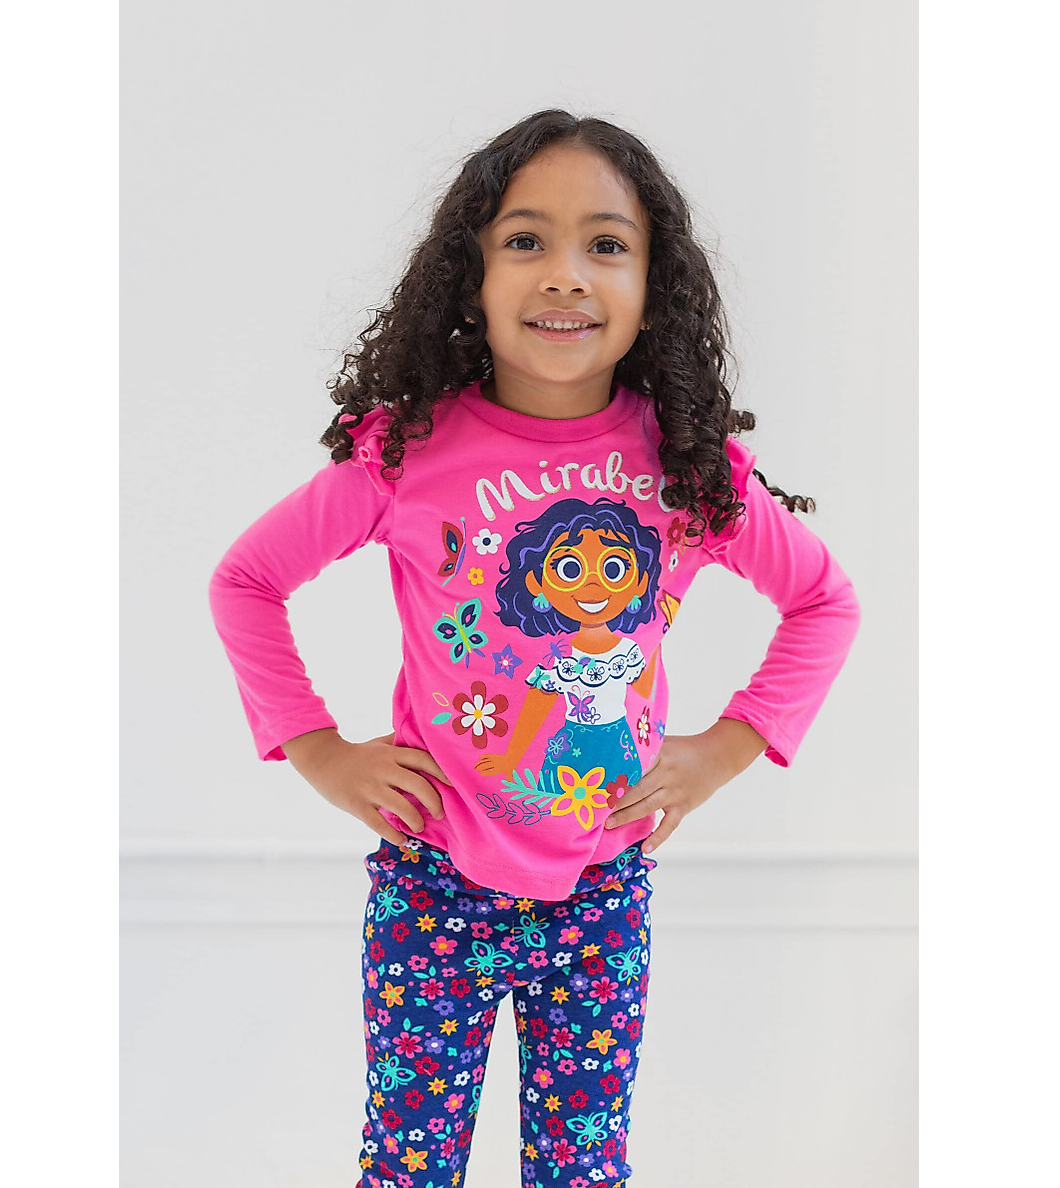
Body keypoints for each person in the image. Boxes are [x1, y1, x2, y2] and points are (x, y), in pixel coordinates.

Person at [208, 108, 861, 1188]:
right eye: (525, 240)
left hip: (603, 890)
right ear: (471, 276)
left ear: (653, 286)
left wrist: (724, 750)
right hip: (431, 883)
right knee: (408, 1162)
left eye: (606, 244)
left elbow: (824, 601)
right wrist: (319, 751)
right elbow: (246, 582)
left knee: (581, 1166)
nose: (566, 274)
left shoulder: (690, 469)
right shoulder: (407, 453)